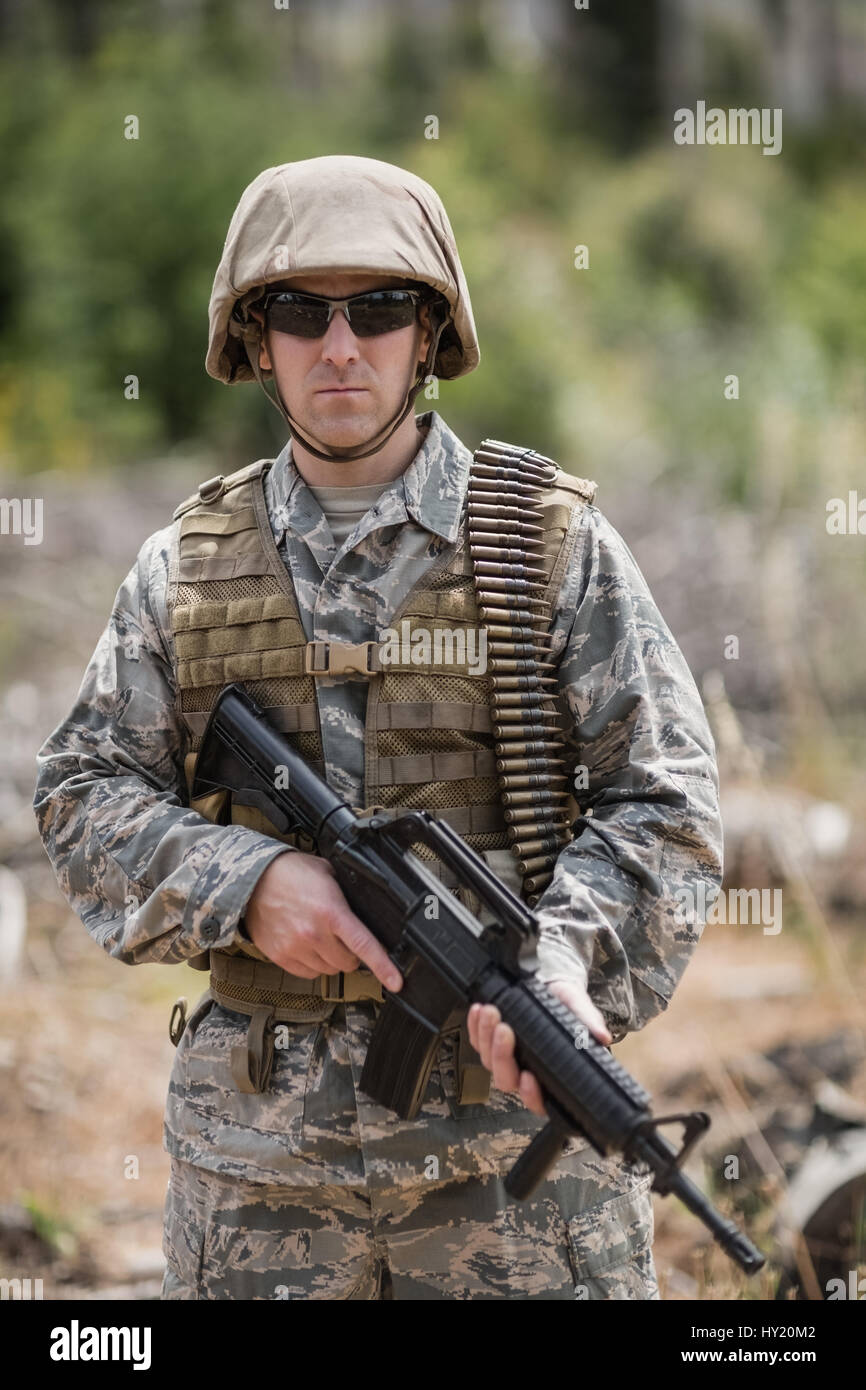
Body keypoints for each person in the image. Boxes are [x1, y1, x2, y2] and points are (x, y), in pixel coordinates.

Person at [33, 155, 723, 1300]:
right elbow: (79, 792)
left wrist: (561, 956)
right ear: (255, 340)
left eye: (380, 308)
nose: (339, 346)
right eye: (301, 312)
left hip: (512, 1184)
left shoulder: (547, 544)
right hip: (260, 1186)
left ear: (428, 334)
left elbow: (670, 803)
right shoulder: (184, 569)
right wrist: (245, 879)